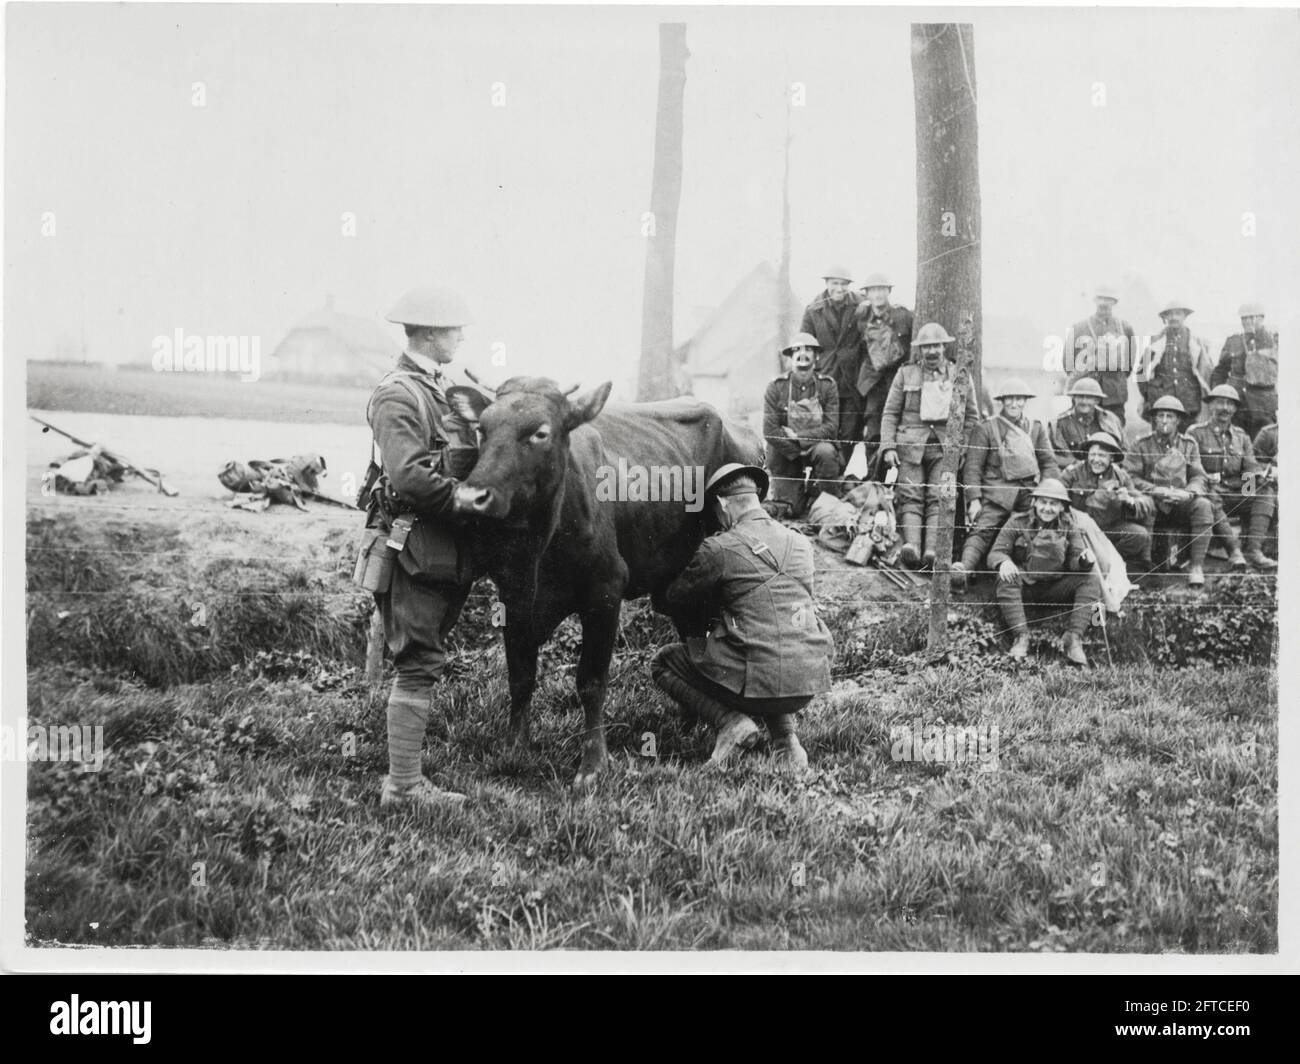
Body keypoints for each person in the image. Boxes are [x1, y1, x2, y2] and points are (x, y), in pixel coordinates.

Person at [357, 285, 483, 809]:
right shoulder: (398, 394)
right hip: (410, 543)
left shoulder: (440, 387)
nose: (461, 336)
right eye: (454, 328)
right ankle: (403, 787)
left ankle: (405, 781)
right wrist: (472, 502)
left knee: (424, 657)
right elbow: (409, 477)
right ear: (429, 332)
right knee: (417, 660)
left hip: (437, 547)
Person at [650, 464, 834, 771]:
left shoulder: (719, 547)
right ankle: (786, 740)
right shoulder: (800, 542)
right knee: (771, 638)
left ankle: (730, 723)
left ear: (722, 504)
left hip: (761, 683)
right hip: (808, 681)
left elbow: (673, 598)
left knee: (664, 662)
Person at [878, 321, 978, 569]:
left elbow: (972, 417)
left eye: (936, 346)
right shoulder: (906, 374)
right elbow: (890, 413)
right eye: (926, 347)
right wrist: (889, 446)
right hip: (910, 446)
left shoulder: (959, 375)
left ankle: (932, 550)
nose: (932, 352)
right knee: (910, 494)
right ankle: (912, 545)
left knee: (938, 497)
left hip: (945, 448)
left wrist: (961, 448)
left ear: (944, 347)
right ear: (919, 350)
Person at [953, 378, 1060, 590]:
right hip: (997, 493)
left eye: (1019, 399)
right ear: (1002, 401)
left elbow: (1048, 463)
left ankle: (1035, 578)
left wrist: (1046, 493)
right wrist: (974, 500)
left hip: (1029, 493)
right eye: (1010, 399)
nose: (1014, 404)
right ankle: (963, 570)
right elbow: (973, 467)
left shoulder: (1036, 428)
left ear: (1025, 402)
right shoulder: (986, 428)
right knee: (983, 528)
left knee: (1037, 529)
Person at [988, 478, 1101, 666]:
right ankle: (1021, 637)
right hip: (1026, 587)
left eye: (1053, 504)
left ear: (1062, 507)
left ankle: (1073, 639)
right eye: (1043, 502)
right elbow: (996, 552)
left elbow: (1075, 560)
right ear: (1035, 502)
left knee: (1090, 578)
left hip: (1056, 587)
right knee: (1005, 577)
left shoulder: (1068, 526)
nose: (1047, 508)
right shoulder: (1017, 522)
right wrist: (1003, 562)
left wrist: (1084, 561)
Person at [1126, 395, 1213, 587]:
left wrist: (1188, 493)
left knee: (1203, 505)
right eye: (1160, 416)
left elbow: (1199, 476)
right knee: (1145, 503)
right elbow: (1130, 477)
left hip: (1181, 503)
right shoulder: (1141, 444)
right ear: (1154, 419)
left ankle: (1196, 567)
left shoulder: (1189, 445)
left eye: (1170, 416)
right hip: (1153, 504)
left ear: (1178, 421)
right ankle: (1146, 564)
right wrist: (1156, 490)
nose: (1165, 420)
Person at [1188, 385, 1276, 570]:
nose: (1225, 408)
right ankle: (1234, 551)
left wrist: (1256, 481)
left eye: (1230, 404)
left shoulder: (1241, 437)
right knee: (1211, 496)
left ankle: (1253, 551)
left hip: (1235, 492)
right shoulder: (1195, 433)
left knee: (1264, 492)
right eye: (1220, 402)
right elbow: (1191, 468)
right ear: (1211, 405)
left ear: (1235, 409)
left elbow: (1250, 467)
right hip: (1209, 492)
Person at [762, 332, 842, 517]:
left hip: (816, 447)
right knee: (792, 510)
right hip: (785, 452)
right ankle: (795, 496)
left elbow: (832, 427)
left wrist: (799, 438)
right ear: (790, 358)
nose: (802, 354)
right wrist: (796, 449)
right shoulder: (776, 387)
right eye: (797, 350)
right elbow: (770, 431)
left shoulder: (827, 386)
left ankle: (825, 503)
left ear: (817, 356)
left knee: (827, 452)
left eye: (809, 350)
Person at [1059, 431, 1155, 570]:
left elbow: (1147, 502)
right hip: (1079, 531)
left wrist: (1130, 501)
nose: (1096, 460)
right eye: (1093, 455)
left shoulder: (1121, 476)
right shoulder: (1072, 473)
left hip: (1108, 530)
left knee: (1139, 535)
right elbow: (1057, 497)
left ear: (1111, 458)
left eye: (1102, 455)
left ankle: (1110, 563)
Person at [800, 266, 865, 464]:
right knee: (825, 432)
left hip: (852, 381)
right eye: (835, 283)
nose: (839, 288)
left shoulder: (861, 305)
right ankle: (824, 477)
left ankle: (838, 475)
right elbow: (803, 343)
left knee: (849, 433)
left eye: (844, 284)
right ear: (827, 284)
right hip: (824, 381)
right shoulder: (813, 310)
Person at [853, 272, 915, 469]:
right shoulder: (861, 317)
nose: (877, 294)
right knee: (873, 432)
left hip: (897, 381)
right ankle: (873, 482)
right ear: (867, 294)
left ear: (888, 291)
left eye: (881, 289)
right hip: (873, 384)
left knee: (900, 430)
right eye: (873, 290)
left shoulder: (902, 316)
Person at [1064, 285, 1137, 424]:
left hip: (1114, 395)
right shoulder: (1079, 328)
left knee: (1114, 433)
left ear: (1114, 302)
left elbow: (1129, 364)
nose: (1104, 303)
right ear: (1095, 300)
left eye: (1108, 299)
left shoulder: (1125, 328)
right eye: (1100, 298)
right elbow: (1067, 363)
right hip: (1085, 394)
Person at [1138, 300, 1215, 424]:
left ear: (1185, 316)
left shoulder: (1197, 342)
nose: (1174, 318)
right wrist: (1150, 395)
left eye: (1178, 314)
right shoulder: (1155, 341)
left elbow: (1207, 371)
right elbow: (1141, 373)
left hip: (1188, 403)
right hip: (1161, 402)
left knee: (1187, 438)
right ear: (1165, 317)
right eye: (1170, 314)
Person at [1212, 301, 1278, 439]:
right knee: (1234, 439)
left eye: (1252, 317)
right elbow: (1220, 371)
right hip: (1237, 403)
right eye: (1244, 318)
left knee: (1262, 441)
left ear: (1262, 318)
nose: (1247, 321)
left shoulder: (1272, 340)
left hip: (1262, 405)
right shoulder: (1233, 341)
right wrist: (1219, 394)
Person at [1050, 377, 1124, 466]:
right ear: (1073, 398)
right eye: (1080, 397)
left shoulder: (1110, 421)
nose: (1084, 401)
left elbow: (1124, 450)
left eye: (1089, 397)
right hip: (1073, 475)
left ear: (1097, 400)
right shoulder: (1060, 423)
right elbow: (1050, 456)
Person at [1250, 422, 1278, 562]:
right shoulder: (1268, 433)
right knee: (1264, 492)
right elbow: (1252, 463)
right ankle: (1256, 548)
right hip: (1272, 481)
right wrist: (1271, 470)